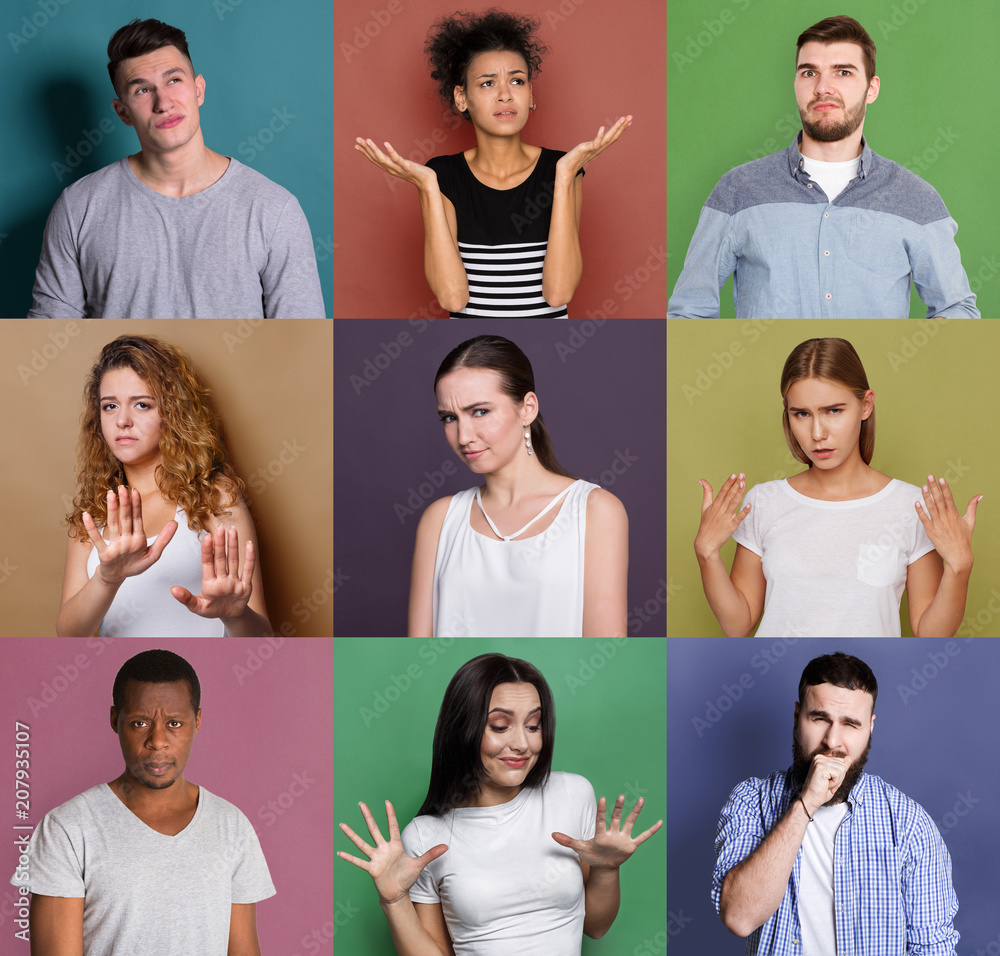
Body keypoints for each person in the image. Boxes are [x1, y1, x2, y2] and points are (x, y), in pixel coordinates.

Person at [337, 653, 662, 955]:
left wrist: (607, 869)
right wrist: (394, 901)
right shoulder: (425, 836)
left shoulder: (571, 794)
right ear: (463, 728)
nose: (522, 743)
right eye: (500, 726)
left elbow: (596, 926)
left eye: (533, 726)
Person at [668, 15, 978, 318]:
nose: (822, 88)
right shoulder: (738, 190)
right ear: (796, 84)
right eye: (809, 73)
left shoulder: (915, 198)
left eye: (842, 73)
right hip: (767, 372)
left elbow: (957, 310)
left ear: (872, 89)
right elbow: (689, 311)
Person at [28, 18, 325, 318]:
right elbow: (48, 340)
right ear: (123, 112)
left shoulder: (274, 209)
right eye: (142, 90)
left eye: (173, 81)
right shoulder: (78, 207)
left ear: (198, 90)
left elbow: (302, 344)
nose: (163, 103)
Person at [694, 337, 981, 637]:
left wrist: (959, 567)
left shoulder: (911, 506)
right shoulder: (764, 502)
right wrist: (707, 553)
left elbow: (930, 635)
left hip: (861, 680)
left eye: (833, 411)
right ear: (787, 412)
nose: (817, 433)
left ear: (866, 405)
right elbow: (738, 625)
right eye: (802, 414)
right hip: (779, 678)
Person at [355, 8, 632, 317]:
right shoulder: (442, 175)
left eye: (517, 81)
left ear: (530, 95)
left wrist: (565, 176)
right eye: (487, 83)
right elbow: (452, 299)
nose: (504, 95)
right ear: (462, 98)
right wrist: (428, 187)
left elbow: (559, 293)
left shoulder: (563, 168)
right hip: (473, 351)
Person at [10, 648, 275, 955]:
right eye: (140, 723)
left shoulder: (232, 826)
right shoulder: (67, 829)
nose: (157, 741)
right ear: (114, 720)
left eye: (174, 723)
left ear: (197, 720)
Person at [713, 652, 959, 954]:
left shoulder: (909, 824)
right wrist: (806, 804)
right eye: (819, 718)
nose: (832, 741)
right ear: (796, 717)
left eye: (850, 724)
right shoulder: (752, 801)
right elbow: (740, 917)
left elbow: (933, 948)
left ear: (870, 728)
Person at [407, 335, 628, 637]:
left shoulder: (596, 511)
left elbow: (606, 654)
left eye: (480, 411)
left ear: (527, 408)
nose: (463, 436)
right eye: (449, 418)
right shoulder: (440, 519)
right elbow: (418, 654)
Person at [57, 334, 273, 637]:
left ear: (171, 412)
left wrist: (236, 616)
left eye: (142, 404)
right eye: (109, 406)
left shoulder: (214, 498)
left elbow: (263, 639)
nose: (122, 421)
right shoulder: (92, 515)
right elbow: (69, 635)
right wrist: (107, 579)